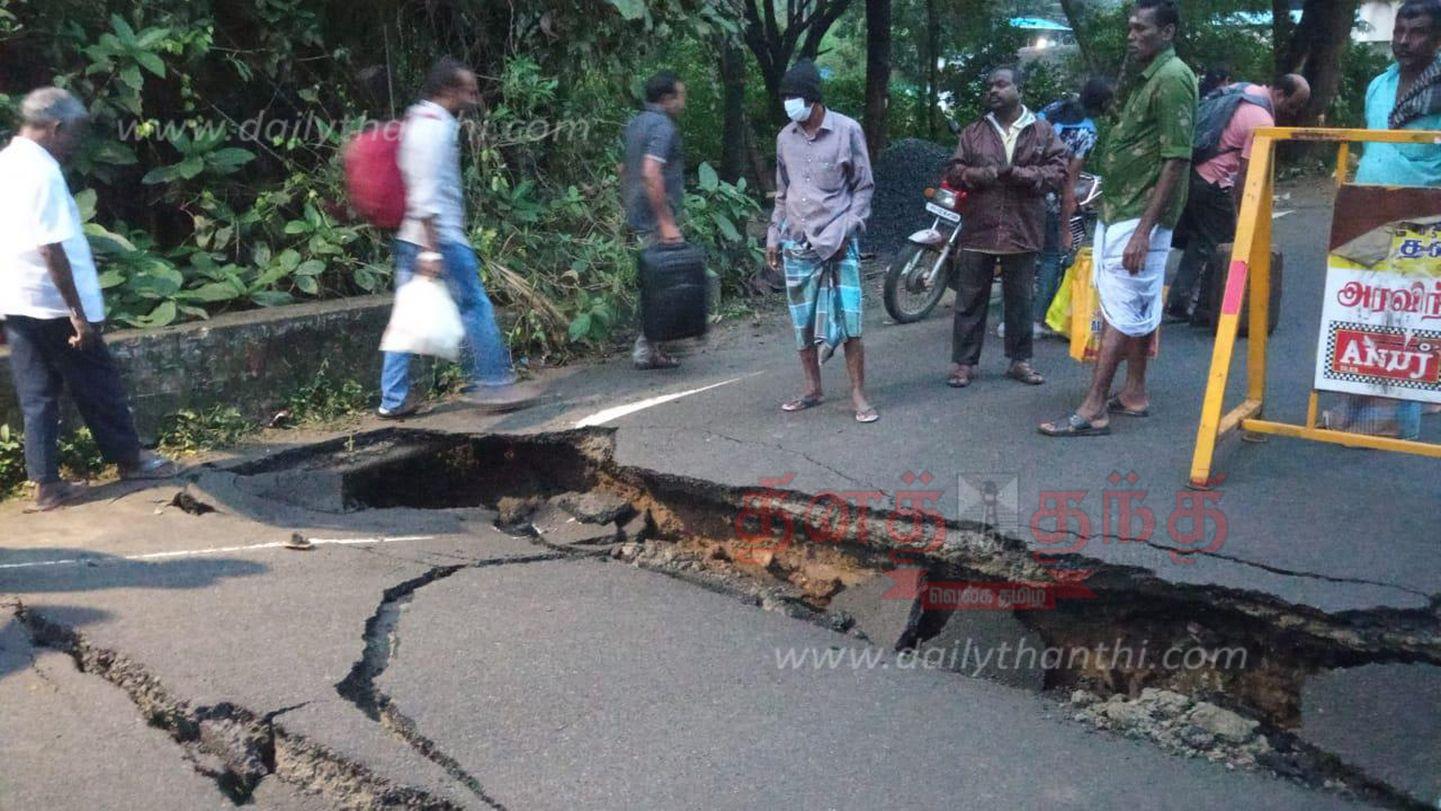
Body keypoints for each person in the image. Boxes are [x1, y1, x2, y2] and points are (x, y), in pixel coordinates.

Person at [0, 88, 179, 510]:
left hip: (18, 300)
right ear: (57, 128)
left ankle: (45, 485)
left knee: (37, 396)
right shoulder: (42, 173)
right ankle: (130, 460)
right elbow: (50, 248)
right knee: (98, 384)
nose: (77, 144)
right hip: (52, 303)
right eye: (74, 134)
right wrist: (77, 314)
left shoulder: (7, 162)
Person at [1040, 0, 1197, 437]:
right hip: (1123, 206)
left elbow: (1176, 158)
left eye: (1141, 28)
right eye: (1130, 27)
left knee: (1123, 306)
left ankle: (1094, 408)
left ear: (1166, 32)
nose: (1132, 35)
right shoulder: (1147, 75)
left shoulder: (1173, 79)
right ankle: (1134, 392)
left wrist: (1143, 232)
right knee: (1134, 303)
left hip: (1138, 213)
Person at [379, 57, 539, 419]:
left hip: (412, 236)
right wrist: (432, 250)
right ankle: (496, 382)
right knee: (476, 307)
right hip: (439, 238)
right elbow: (426, 191)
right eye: (469, 90)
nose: (474, 96)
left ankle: (392, 399)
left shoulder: (415, 119)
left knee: (405, 317)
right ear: (448, 90)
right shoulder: (436, 128)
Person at [1323, 0, 1441, 436]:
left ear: (1438, 38)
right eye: (1400, 30)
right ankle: (1357, 399)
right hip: (1367, 214)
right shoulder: (1378, 85)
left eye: (1419, 32)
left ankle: (1391, 413)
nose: (1405, 40)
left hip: (1423, 223)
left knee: (1405, 317)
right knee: (1360, 312)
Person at [764, 61, 879, 424]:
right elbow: (783, 193)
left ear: (813, 101)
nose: (788, 105)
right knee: (803, 322)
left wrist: (849, 228)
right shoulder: (785, 138)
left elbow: (863, 187)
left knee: (850, 321)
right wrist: (773, 235)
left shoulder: (848, 131)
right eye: (784, 99)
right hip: (798, 241)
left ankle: (858, 394)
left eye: (793, 98)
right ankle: (813, 388)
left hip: (839, 242)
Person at [944, 66, 1069, 389]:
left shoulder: (1041, 131)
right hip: (979, 225)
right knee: (970, 298)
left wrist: (1018, 174)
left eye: (1001, 84)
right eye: (990, 86)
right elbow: (955, 170)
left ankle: (1020, 361)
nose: (994, 91)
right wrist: (975, 175)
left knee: (1020, 299)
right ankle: (963, 364)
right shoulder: (974, 132)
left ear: (1018, 89)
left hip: (1021, 226)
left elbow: (1058, 172)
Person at [1165, 74, 1311, 324]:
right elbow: (1246, 174)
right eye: (1293, 104)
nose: (1294, 111)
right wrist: (1243, 213)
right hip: (1214, 181)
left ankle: (1180, 300)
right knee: (1229, 244)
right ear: (1279, 94)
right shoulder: (1263, 121)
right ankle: (1208, 309)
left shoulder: (1243, 89)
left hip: (1194, 170)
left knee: (1202, 240)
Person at [1034, 77, 1115, 335]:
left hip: (1020, 187)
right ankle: (1036, 321)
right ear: (1103, 104)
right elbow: (1070, 179)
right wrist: (1067, 225)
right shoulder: (1087, 132)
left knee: (1019, 254)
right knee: (1050, 256)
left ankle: (1008, 319)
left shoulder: (1053, 108)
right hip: (1048, 195)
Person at [620, 71, 687, 370]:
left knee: (654, 280)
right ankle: (647, 349)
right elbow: (650, 172)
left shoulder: (636, 123)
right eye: (680, 96)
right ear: (666, 98)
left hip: (637, 213)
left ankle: (653, 345)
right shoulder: (662, 126)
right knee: (660, 283)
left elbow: (624, 168)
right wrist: (665, 221)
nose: (683, 103)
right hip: (655, 216)